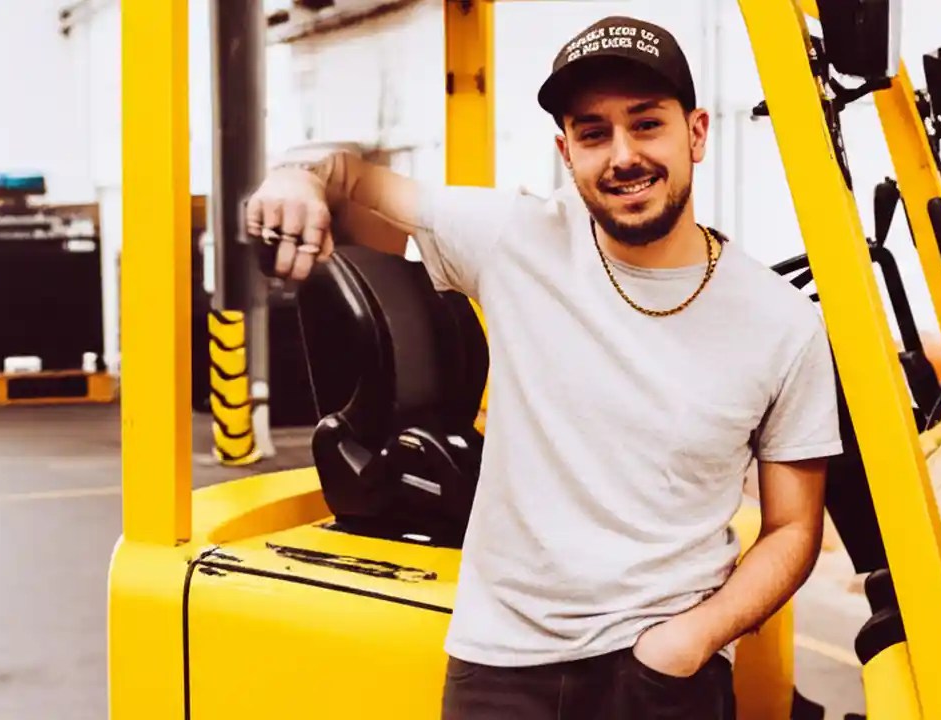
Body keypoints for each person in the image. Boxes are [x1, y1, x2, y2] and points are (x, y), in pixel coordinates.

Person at [245, 14, 842, 720]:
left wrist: (688, 643)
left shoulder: (782, 322)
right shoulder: (517, 240)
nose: (622, 154)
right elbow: (349, 186)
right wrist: (294, 176)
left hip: (666, 673)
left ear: (697, 133)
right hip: (503, 667)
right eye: (593, 133)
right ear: (567, 151)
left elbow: (794, 529)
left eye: (646, 124)